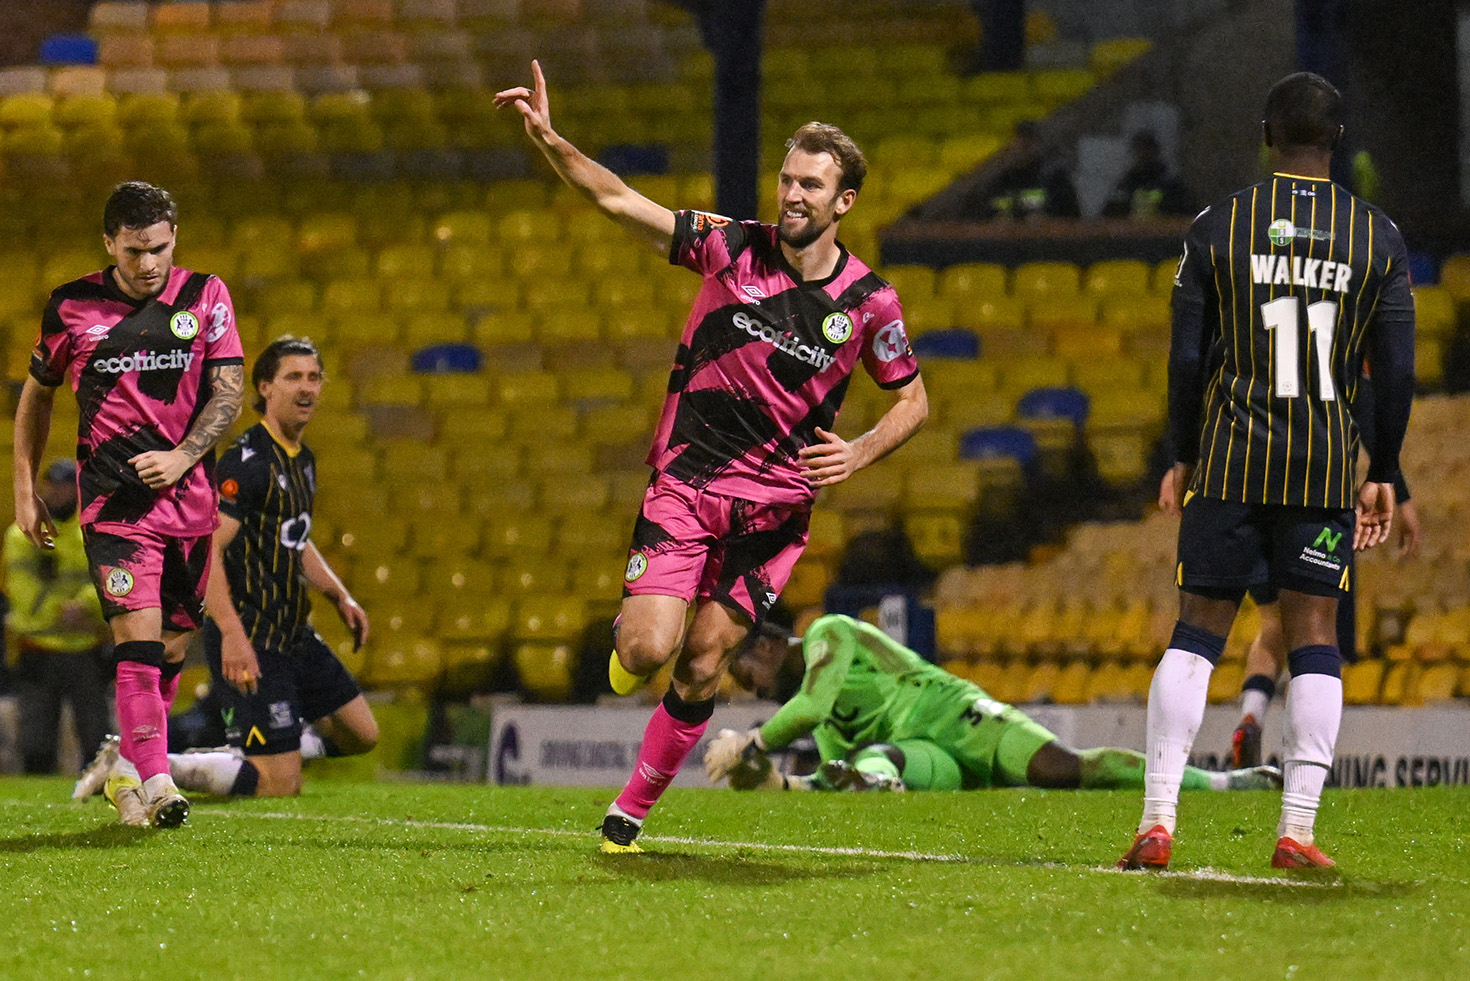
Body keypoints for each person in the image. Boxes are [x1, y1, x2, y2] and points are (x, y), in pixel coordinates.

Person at [495, 61, 928, 853]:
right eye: (787, 179)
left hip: (774, 512)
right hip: (686, 486)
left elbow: (915, 398)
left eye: (811, 185)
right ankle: (629, 640)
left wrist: (860, 451)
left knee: (701, 664)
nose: (792, 195)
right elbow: (617, 198)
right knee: (648, 650)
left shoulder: (871, 302)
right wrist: (552, 141)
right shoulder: (731, 246)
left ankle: (629, 812)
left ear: (845, 202)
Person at [1118, 73, 1414, 873]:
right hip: (1321, 467)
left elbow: (1186, 357)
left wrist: (1179, 451)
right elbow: (1394, 364)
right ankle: (1297, 832)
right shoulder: (1376, 236)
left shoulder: (1218, 227)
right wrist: (1382, 466)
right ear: (1338, 138)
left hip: (1230, 454)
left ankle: (1157, 821)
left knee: (1196, 632)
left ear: (1264, 133)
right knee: (1314, 638)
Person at [14, 181, 245, 827]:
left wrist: (181, 457)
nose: (149, 264)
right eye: (136, 250)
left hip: (190, 502)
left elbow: (227, 393)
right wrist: (23, 486)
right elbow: (37, 396)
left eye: (160, 248)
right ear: (109, 242)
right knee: (136, 644)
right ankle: (160, 778)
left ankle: (125, 766)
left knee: (172, 647)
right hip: (115, 507)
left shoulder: (205, 296)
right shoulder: (72, 306)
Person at [75, 337, 376, 801]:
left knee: (362, 733)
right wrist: (233, 634)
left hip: (293, 630)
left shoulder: (302, 459)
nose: (307, 388)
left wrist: (339, 594)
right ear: (265, 388)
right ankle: (148, 764)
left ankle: (269, 751)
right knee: (280, 784)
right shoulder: (246, 461)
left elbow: (294, 536)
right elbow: (207, 550)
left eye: (314, 377)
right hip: (252, 633)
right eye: (293, 377)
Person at [707, 614, 1281, 794]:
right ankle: (887, 785)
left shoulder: (828, 634)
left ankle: (1227, 785)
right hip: (927, 756)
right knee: (870, 763)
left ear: (767, 644)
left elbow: (806, 708)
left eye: (744, 672)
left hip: (956, 715)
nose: (750, 687)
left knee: (1063, 769)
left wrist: (754, 743)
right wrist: (776, 784)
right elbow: (836, 772)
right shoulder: (821, 710)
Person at [3, 460, 110, 774]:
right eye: (55, 484)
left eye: (67, 485)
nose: (60, 491)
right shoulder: (24, 531)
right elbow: (20, 588)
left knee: (96, 736)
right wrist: (64, 610)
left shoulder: (95, 528)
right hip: (40, 648)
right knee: (36, 740)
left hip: (87, 647)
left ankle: (102, 788)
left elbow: (105, 575)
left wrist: (86, 605)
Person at [1100, 130, 1194, 220]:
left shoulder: (1170, 184)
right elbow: (1109, 214)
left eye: (1145, 150)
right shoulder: (1127, 183)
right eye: (1138, 150)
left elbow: (1184, 214)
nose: (1141, 155)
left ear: (1155, 152)